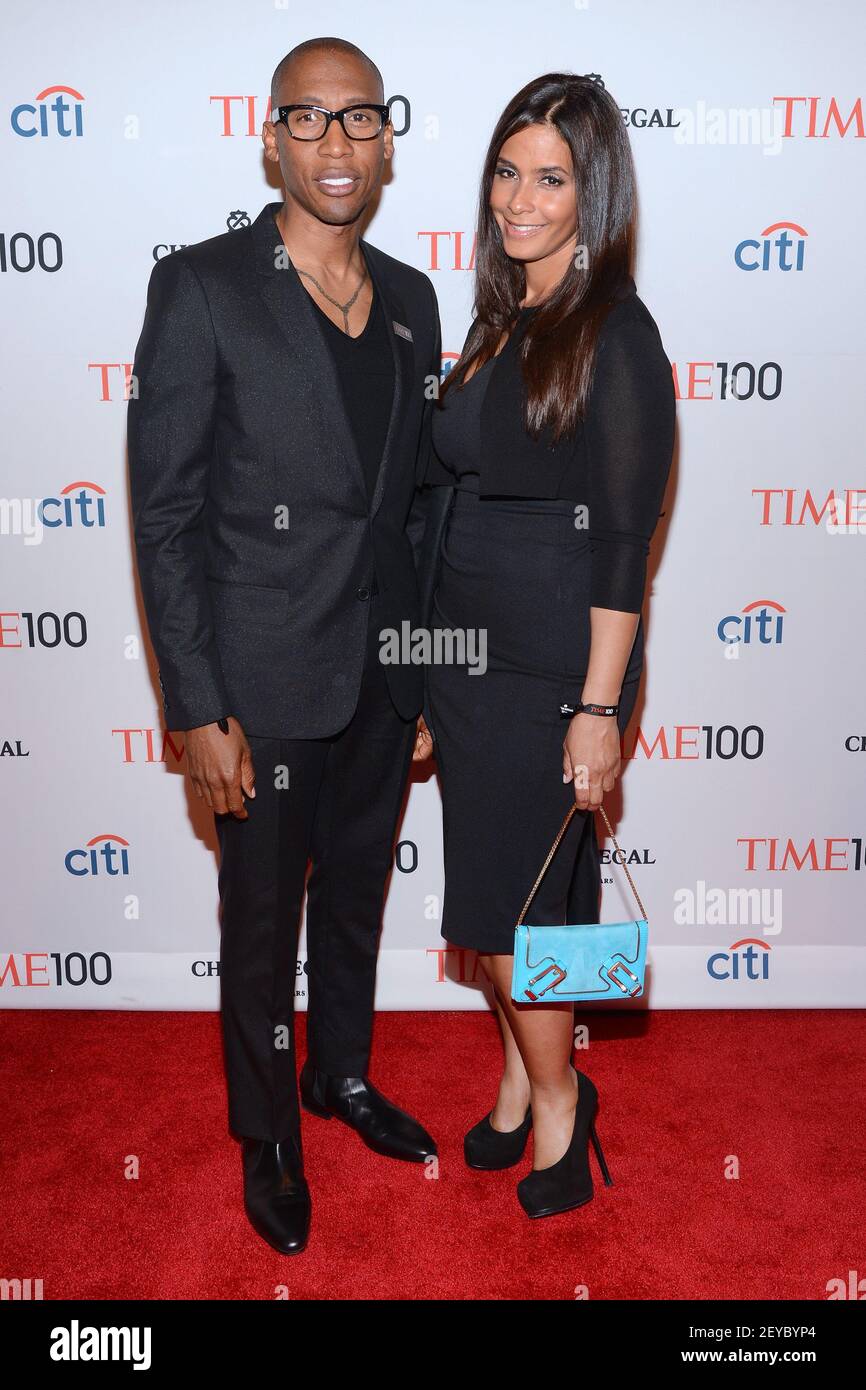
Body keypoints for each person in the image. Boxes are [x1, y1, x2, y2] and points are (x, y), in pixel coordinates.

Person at [128, 36, 441, 1256]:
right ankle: (267, 1135)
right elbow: (162, 514)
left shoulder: (412, 301)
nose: (335, 144)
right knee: (260, 928)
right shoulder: (204, 287)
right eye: (308, 121)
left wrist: (414, 668)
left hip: (375, 671)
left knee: (357, 894)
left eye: (359, 118)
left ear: (386, 138)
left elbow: (412, 507)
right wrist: (196, 709)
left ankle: (340, 1076)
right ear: (269, 139)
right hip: (258, 685)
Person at [413, 72, 675, 1219]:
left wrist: (597, 706)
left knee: (512, 914)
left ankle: (564, 1105)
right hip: (470, 661)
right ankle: (522, 1075)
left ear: (593, 191)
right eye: (507, 172)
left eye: (550, 179)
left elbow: (624, 538)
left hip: (557, 671)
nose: (520, 199)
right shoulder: (499, 315)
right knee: (522, 899)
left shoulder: (613, 332)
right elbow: (445, 502)